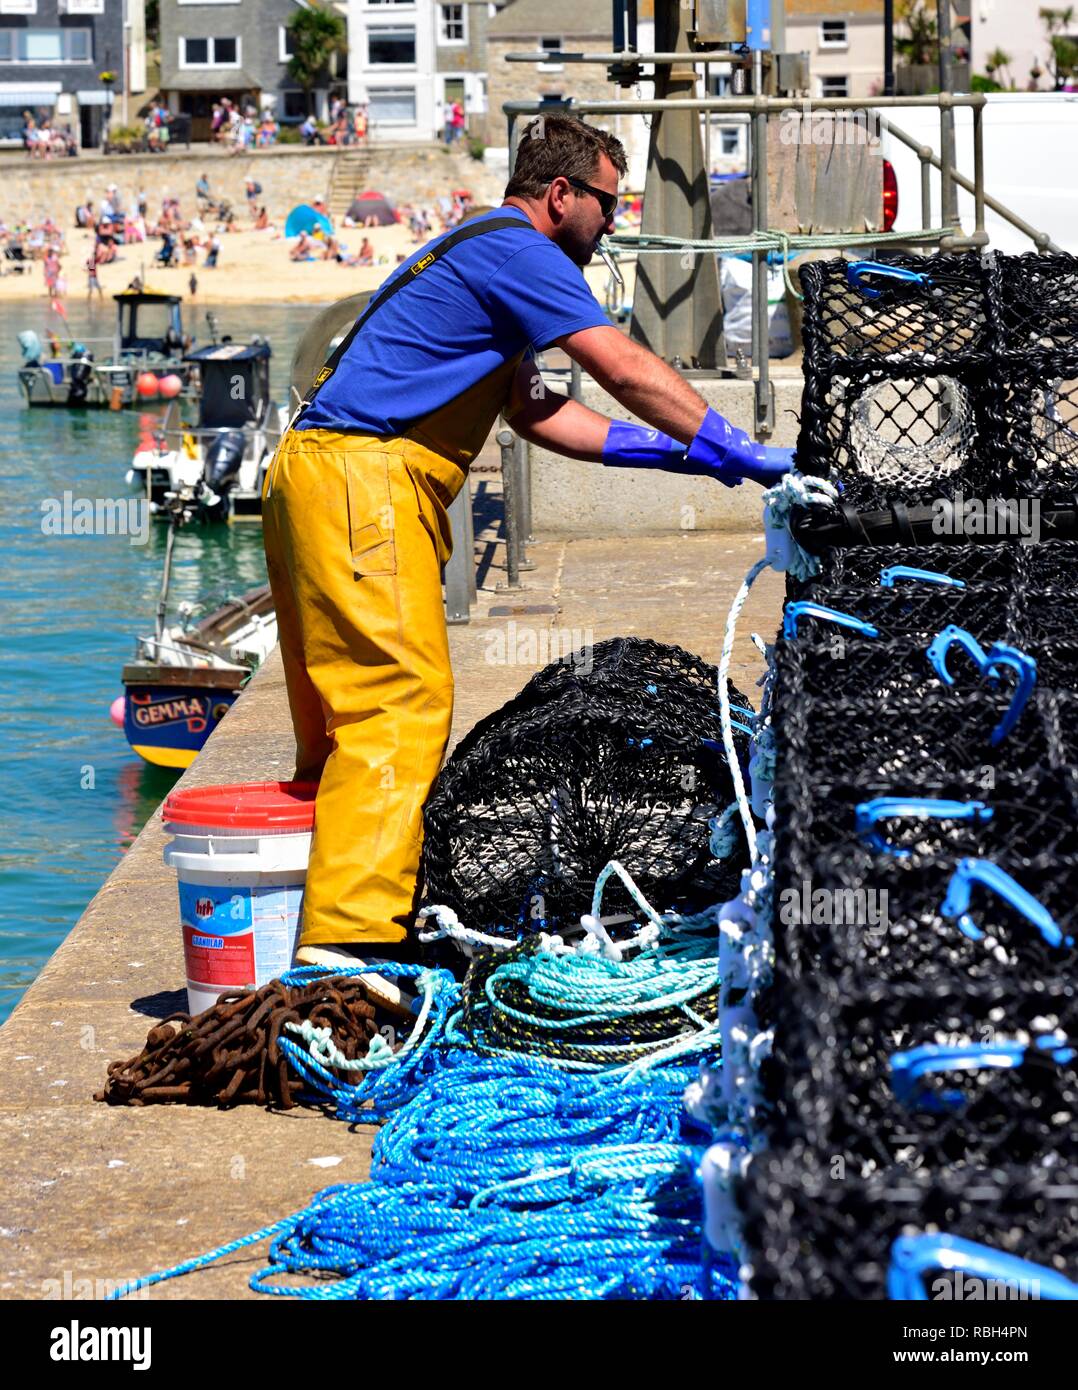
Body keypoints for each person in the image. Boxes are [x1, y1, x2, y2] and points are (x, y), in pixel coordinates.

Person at [260, 115, 794, 1003]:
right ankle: (343, 957)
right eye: (608, 204)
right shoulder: (522, 254)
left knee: (338, 722)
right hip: (365, 477)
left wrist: (678, 455)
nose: (614, 223)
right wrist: (725, 435)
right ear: (560, 196)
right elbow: (618, 364)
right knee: (398, 704)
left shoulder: (477, 250)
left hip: (315, 476)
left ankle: (299, 910)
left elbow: (539, 413)